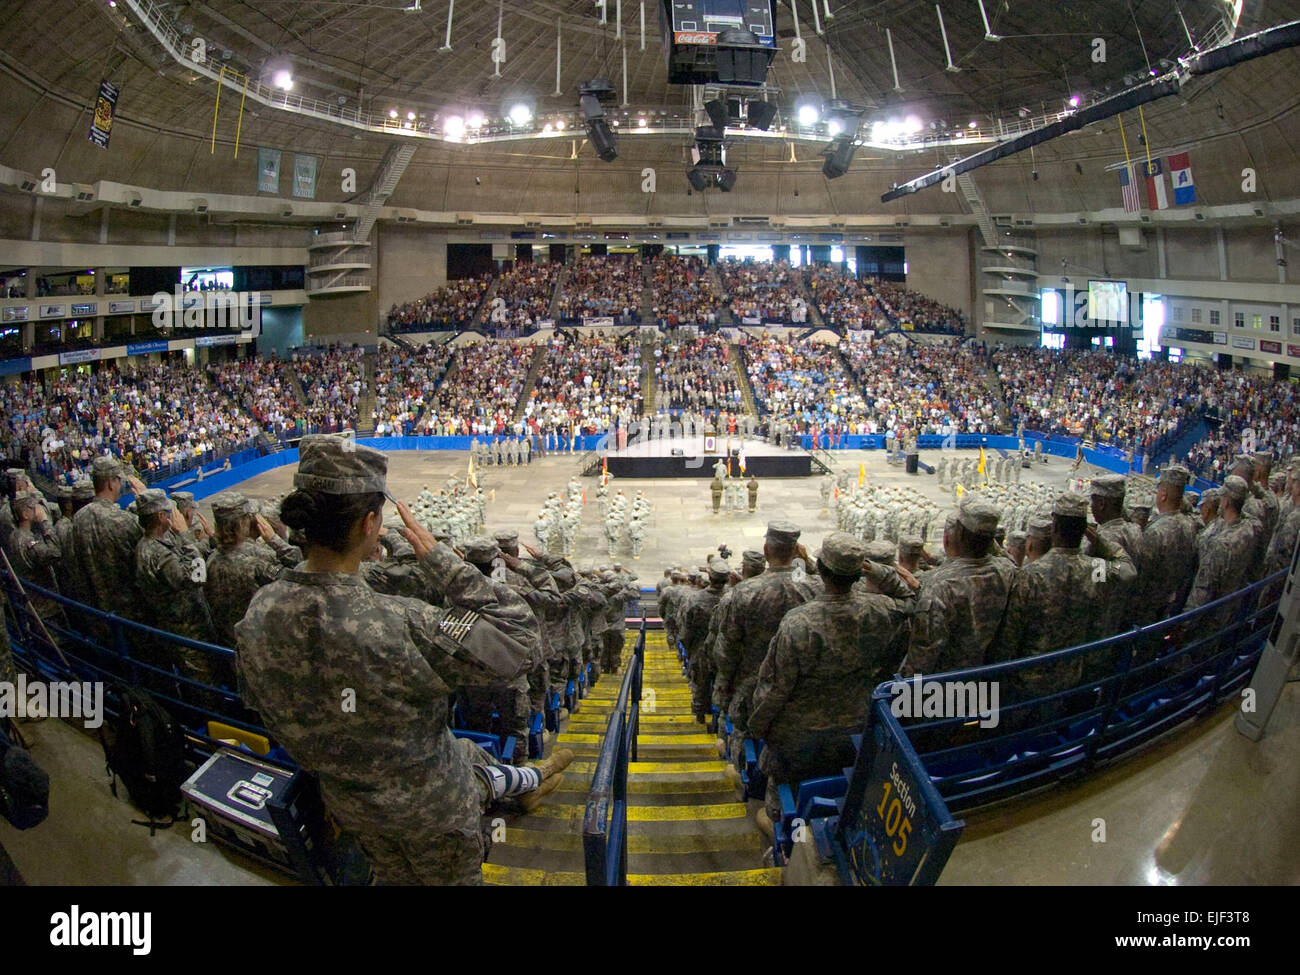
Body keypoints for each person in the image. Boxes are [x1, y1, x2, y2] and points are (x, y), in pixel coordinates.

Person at [235, 435, 570, 885]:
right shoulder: (404, 622)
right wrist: (442, 561)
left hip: (351, 806)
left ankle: (526, 780)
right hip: (433, 812)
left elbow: (261, 705)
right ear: (369, 524)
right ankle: (526, 779)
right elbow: (521, 643)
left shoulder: (258, 612)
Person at [748, 533, 901, 839]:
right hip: (857, 727)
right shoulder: (881, 610)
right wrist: (875, 569)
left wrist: (758, 726)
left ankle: (783, 837)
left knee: (780, 784)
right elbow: (915, 598)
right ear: (860, 572)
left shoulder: (798, 623)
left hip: (799, 737)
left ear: (822, 569)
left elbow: (775, 688)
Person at [997, 492, 1136, 703]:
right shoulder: (1095, 569)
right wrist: (1100, 541)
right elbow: (1127, 569)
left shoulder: (1031, 574)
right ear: (1083, 531)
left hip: (1029, 679)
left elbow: (1009, 637)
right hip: (1071, 674)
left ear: (1054, 529)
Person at [712, 521, 816, 770]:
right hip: (799, 683)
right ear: (796, 551)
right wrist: (806, 561)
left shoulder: (743, 592)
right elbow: (807, 576)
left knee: (744, 732)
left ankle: (740, 774)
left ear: (766, 551)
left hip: (751, 683)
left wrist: (724, 685)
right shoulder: (812, 586)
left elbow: (726, 649)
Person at [900, 500, 1014, 677]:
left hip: (950, 685)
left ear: (952, 537)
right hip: (992, 675)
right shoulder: (1008, 571)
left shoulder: (939, 586)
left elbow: (920, 661)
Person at [204, 493, 301, 648]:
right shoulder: (258, 560)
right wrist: (274, 540)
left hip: (227, 642)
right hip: (256, 643)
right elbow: (299, 571)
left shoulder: (210, 561)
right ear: (242, 523)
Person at [70, 456, 148, 624]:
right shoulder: (123, 520)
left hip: (95, 611)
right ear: (111, 483)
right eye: (119, 480)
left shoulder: (78, 518)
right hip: (128, 612)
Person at [681, 557, 730, 721]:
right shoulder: (734, 597)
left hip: (701, 649)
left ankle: (700, 715)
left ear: (710, 578)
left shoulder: (695, 599)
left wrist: (689, 651)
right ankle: (720, 719)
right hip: (726, 650)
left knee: (700, 684)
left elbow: (686, 631)